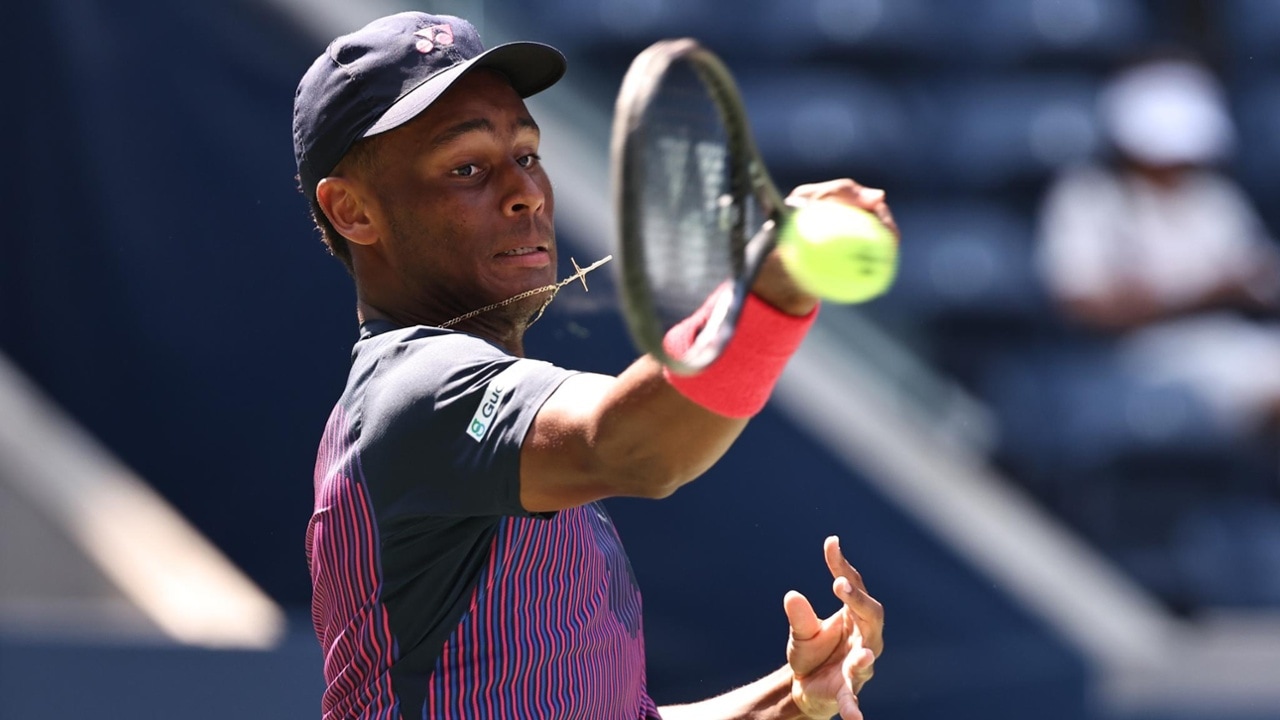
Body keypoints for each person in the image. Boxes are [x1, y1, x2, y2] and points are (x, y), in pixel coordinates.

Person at [294, 12, 891, 720]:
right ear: (352, 211)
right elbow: (635, 449)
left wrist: (789, 700)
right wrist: (770, 291)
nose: (525, 192)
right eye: (466, 168)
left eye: (526, 154)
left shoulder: (494, 451)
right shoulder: (414, 391)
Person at [1036, 55, 1280, 437]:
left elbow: (1258, 275)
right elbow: (1083, 305)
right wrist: (1198, 294)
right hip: (1140, 357)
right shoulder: (1088, 198)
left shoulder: (1214, 196)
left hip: (1230, 339)